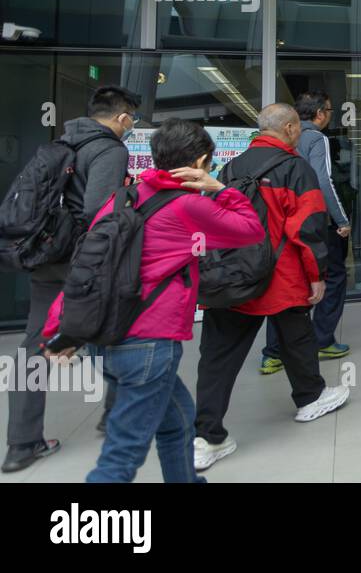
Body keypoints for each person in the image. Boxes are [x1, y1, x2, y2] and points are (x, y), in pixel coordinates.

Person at [41, 119, 264, 482]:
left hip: (106, 341)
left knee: (177, 423)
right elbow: (250, 230)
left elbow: (88, 266)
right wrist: (220, 187)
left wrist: (59, 329)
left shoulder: (123, 198)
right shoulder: (188, 206)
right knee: (123, 455)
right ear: (202, 162)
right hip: (147, 346)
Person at [193, 104, 351, 471]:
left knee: (218, 357)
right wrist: (317, 275)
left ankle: (207, 437)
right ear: (292, 128)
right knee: (296, 337)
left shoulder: (231, 168)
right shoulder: (296, 168)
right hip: (282, 275)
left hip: (234, 276)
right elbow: (308, 229)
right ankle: (310, 398)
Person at [3, 85, 136, 474]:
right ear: (122, 118)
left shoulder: (60, 143)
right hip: (84, 261)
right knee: (118, 332)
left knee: (33, 347)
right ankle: (112, 417)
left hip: (47, 255)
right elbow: (100, 211)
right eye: (132, 120)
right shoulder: (110, 149)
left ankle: (21, 444)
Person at [261, 91, 352, 374]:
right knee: (335, 276)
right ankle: (322, 339)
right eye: (329, 111)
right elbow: (322, 181)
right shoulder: (316, 138)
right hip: (312, 223)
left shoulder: (271, 141)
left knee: (286, 282)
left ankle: (273, 353)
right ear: (320, 114)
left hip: (279, 224)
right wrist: (341, 219)